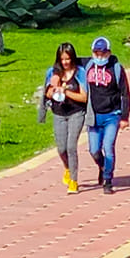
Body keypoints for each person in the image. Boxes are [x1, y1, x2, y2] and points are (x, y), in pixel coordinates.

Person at [81, 36, 130, 194]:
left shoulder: (116, 69)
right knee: (94, 150)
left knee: (108, 146)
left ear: (109, 52)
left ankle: (108, 181)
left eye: (103, 53)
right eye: (97, 53)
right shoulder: (88, 65)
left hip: (112, 115)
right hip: (94, 116)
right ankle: (102, 166)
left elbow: (125, 94)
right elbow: (67, 60)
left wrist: (124, 116)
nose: (100, 57)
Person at [42, 42, 89, 193]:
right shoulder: (53, 72)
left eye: (68, 59)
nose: (65, 62)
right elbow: (47, 93)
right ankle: (67, 168)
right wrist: (54, 90)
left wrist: (66, 92)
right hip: (59, 113)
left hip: (76, 112)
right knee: (61, 148)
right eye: (62, 59)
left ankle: (74, 181)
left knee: (71, 146)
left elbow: (84, 97)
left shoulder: (80, 72)